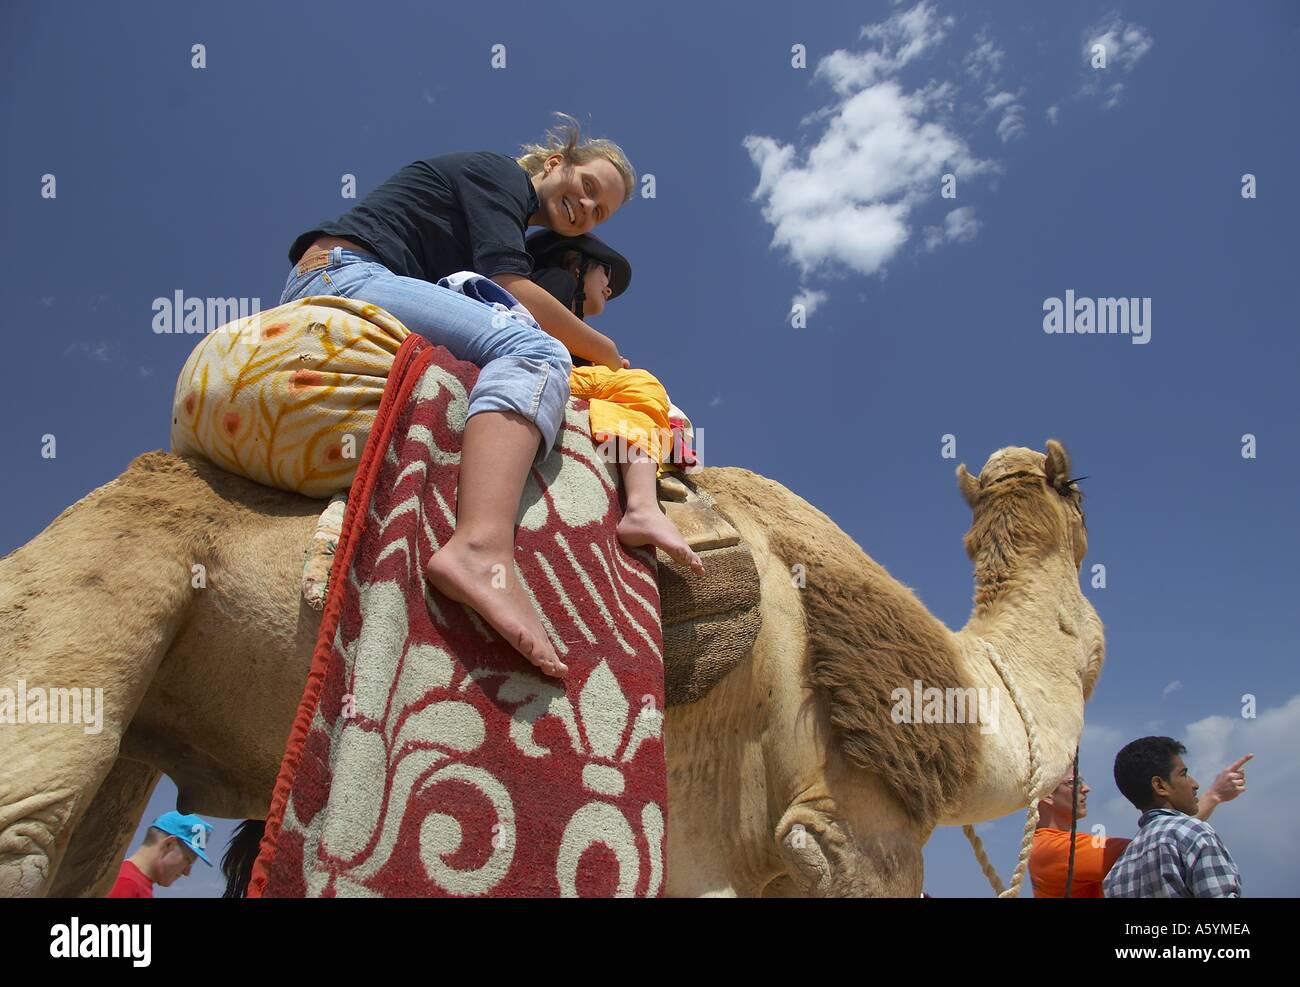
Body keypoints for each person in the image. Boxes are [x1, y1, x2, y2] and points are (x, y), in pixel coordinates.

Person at [278, 113, 635, 680]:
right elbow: (515, 291)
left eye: (600, 211)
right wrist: (609, 354)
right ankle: (480, 548)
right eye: (587, 188)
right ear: (553, 164)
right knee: (537, 353)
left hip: (343, 275)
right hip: (343, 275)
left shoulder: (509, 212)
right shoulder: (500, 179)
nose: (586, 208)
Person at [523, 229, 704, 575]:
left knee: (651, 401)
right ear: (575, 264)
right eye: (604, 272)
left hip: (561, 371)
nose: (608, 287)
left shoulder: (567, 307)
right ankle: (643, 506)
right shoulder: (556, 281)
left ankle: (655, 467)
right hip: (542, 366)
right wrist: (607, 361)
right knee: (641, 383)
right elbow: (541, 332)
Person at [1030, 753, 1250, 898]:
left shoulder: (1047, 847)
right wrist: (1214, 795)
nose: (1086, 788)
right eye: (1074, 782)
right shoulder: (1052, 849)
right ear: (1047, 794)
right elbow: (1159, 844)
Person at [1102, 737, 1247, 898]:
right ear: (1160, 785)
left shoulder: (1117, 871)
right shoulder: (1194, 833)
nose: (1195, 784)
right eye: (1183, 774)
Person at [107, 811, 214, 898]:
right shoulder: (126, 883)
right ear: (168, 844)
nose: (187, 872)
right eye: (188, 859)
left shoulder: (134, 884)